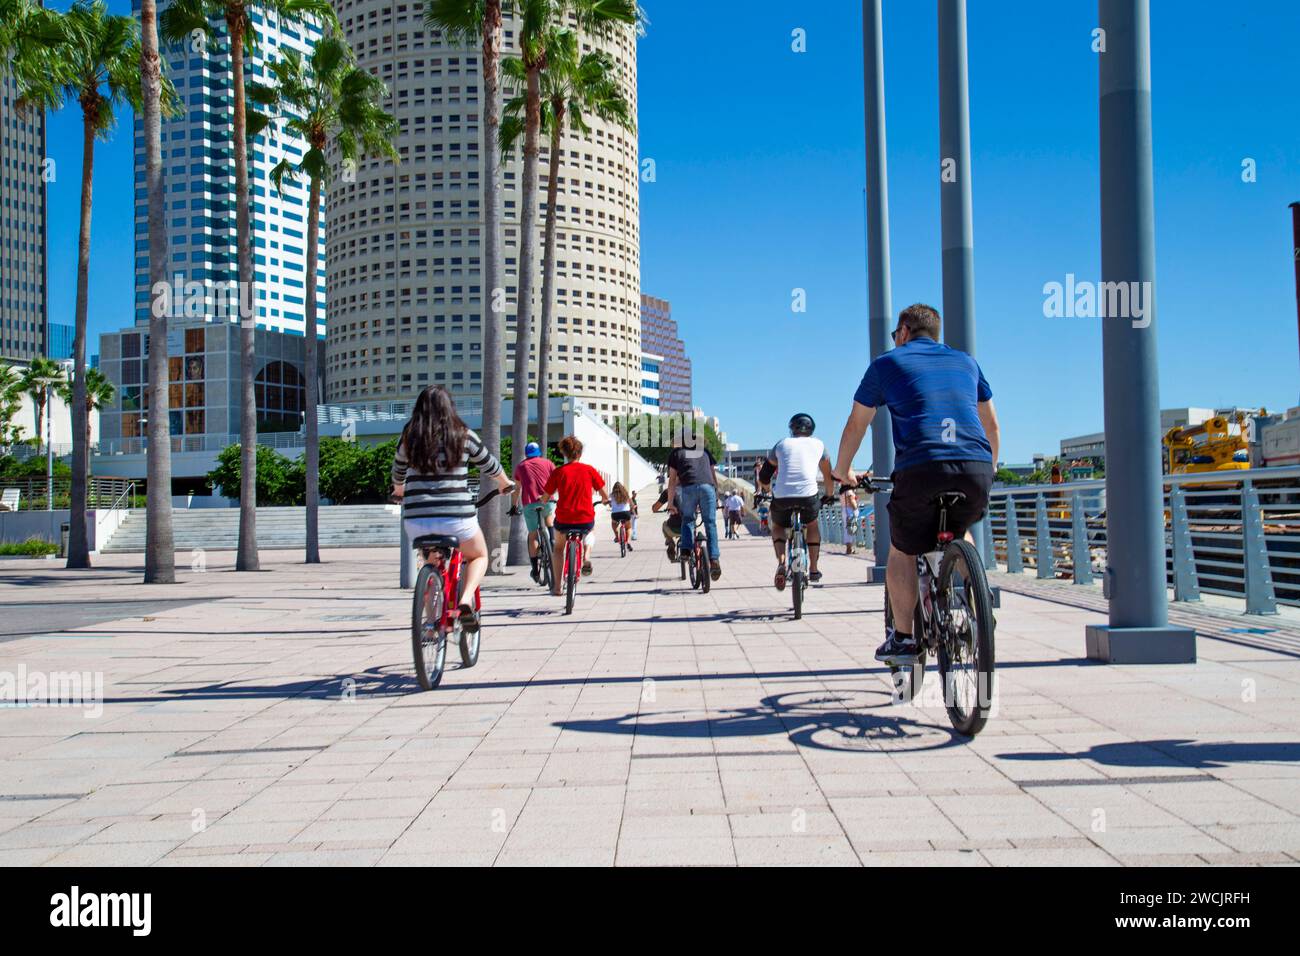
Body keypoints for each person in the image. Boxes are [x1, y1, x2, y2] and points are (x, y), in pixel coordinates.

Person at [832, 303, 1001, 664]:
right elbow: (991, 425)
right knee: (960, 528)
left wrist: (842, 472)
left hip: (921, 468)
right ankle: (979, 603)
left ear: (905, 332)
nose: (895, 340)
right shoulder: (967, 362)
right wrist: (991, 469)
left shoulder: (887, 363)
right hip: (975, 467)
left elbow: (856, 424)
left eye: (896, 334)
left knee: (903, 548)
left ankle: (904, 639)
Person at [392, 386, 513, 633]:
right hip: (456, 518)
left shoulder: (410, 436)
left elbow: (398, 471)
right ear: (450, 408)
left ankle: (431, 624)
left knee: (430, 562)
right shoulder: (463, 435)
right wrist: (504, 483)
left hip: (417, 519)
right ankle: (465, 600)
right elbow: (489, 464)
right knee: (478, 556)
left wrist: (399, 491)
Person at [759, 413, 837, 589]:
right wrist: (829, 495)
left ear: (792, 429)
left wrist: (767, 490)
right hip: (808, 497)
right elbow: (828, 476)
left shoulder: (781, 444)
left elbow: (764, 476)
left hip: (782, 497)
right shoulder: (819, 445)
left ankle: (781, 563)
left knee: (778, 526)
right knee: (812, 524)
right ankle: (814, 569)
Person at [542, 435, 610, 594]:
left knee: (558, 549)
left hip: (563, 520)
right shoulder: (589, 470)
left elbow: (545, 497)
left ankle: (557, 587)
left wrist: (542, 500)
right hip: (584, 519)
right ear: (580, 453)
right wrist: (605, 500)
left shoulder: (558, 472)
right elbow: (604, 493)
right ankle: (586, 556)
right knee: (590, 530)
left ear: (564, 453)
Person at [665, 433, 722, 580]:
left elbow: (672, 481)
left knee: (688, 519)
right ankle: (714, 559)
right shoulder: (705, 451)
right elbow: (713, 476)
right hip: (708, 488)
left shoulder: (676, 453)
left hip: (689, 487)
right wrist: (716, 497)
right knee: (710, 523)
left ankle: (685, 551)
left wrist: (670, 503)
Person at [510, 440, 556, 583]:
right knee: (549, 518)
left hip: (529, 503)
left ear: (526, 453)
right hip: (546, 500)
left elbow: (517, 489)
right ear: (538, 453)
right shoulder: (548, 463)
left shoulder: (521, 466)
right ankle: (552, 540)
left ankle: (535, 570)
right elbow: (556, 481)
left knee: (533, 534)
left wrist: (513, 506)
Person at [652, 485, 684, 560]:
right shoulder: (693, 488)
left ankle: (670, 543)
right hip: (689, 526)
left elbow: (654, 508)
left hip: (674, 528)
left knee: (664, 524)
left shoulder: (668, 491)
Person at [609, 482, 634, 549]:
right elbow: (632, 504)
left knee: (614, 523)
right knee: (628, 527)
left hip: (615, 514)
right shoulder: (626, 494)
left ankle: (617, 536)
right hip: (626, 513)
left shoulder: (612, 495)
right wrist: (632, 509)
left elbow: (610, 504)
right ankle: (628, 541)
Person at [842, 486, 860, 555]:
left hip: (845, 509)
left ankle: (850, 548)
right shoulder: (849, 491)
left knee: (848, 529)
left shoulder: (843, 491)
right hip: (850, 510)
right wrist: (855, 509)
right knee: (851, 529)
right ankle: (849, 548)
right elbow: (851, 500)